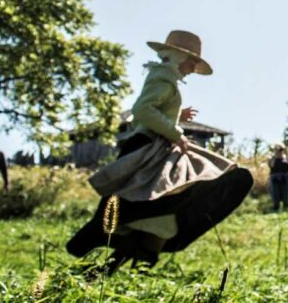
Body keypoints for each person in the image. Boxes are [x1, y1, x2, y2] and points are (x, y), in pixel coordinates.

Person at [66, 30, 253, 272]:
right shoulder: (164, 79)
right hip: (148, 150)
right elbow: (143, 111)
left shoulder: (164, 79)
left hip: (153, 148)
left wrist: (176, 115)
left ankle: (127, 260)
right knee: (153, 203)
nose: (193, 67)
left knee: (160, 207)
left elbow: (154, 109)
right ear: (177, 55)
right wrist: (176, 134)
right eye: (192, 61)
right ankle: (118, 256)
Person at [268, 143, 288, 212]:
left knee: (285, 194)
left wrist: (287, 154)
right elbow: (271, 165)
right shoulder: (272, 158)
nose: (280, 152)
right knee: (275, 194)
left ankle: (286, 208)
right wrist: (275, 155)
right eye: (278, 150)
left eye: (281, 150)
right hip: (275, 179)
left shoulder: (286, 158)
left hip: (285, 179)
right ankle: (276, 208)